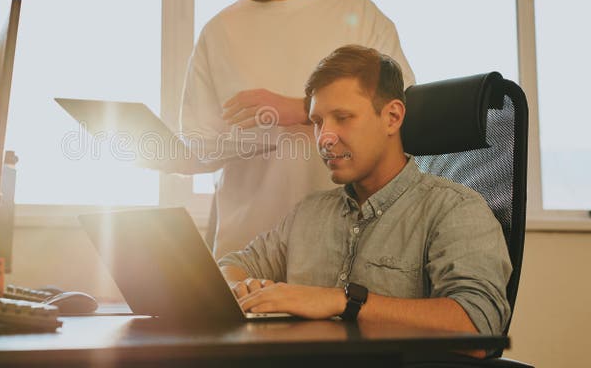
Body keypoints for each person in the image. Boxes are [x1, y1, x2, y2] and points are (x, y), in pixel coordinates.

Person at [218, 45, 512, 342]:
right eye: (318, 122)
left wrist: (343, 302)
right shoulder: (308, 213)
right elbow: (232, 267)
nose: (324, 138)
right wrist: (240, 290)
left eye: (342, 117)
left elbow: (478, 326)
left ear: (392, 117)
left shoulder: (455, 209)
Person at [179, 0, 415, 258]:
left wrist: (303, 110)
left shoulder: (359, 16)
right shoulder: (216, 33)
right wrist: (166, 156)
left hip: (343, 254)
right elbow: (198, 144)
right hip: (244, 256)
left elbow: (403, 116)